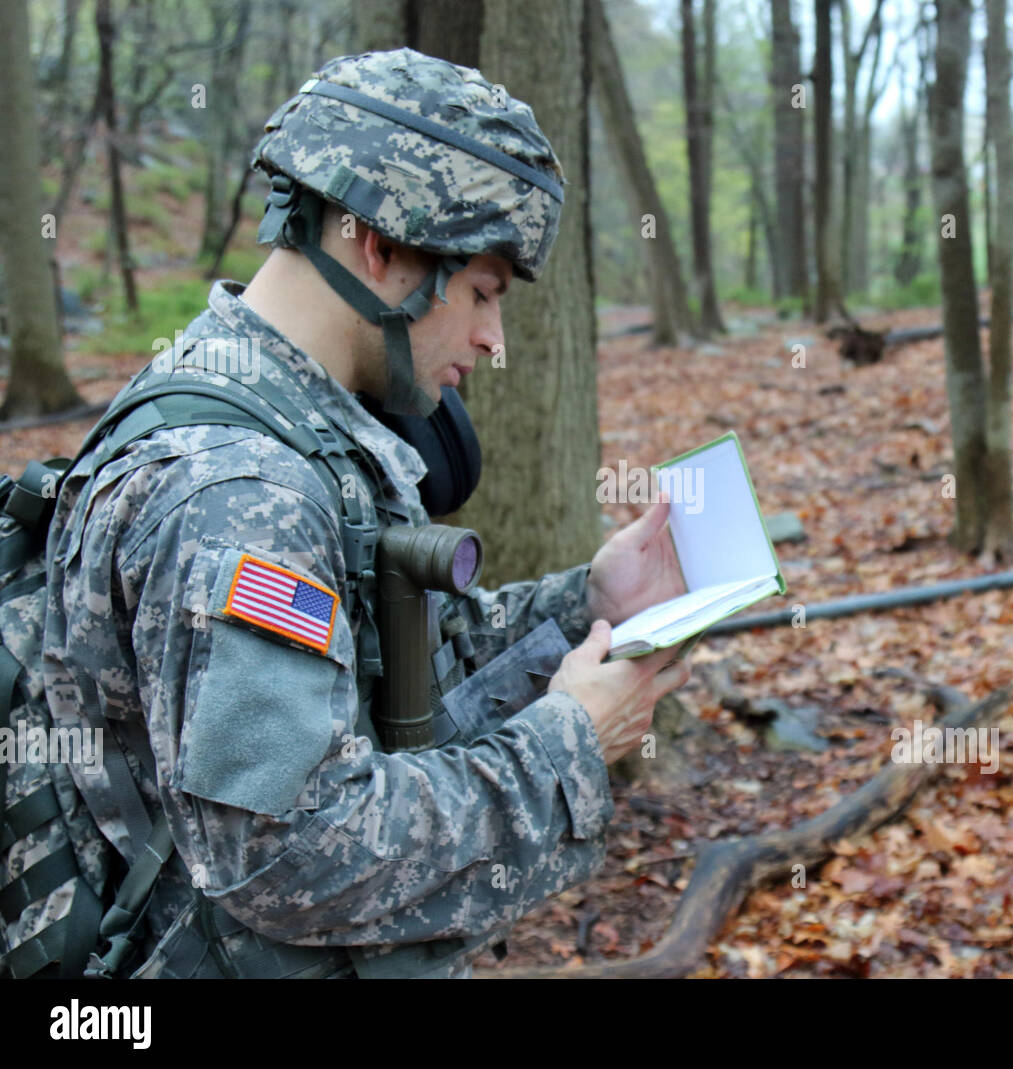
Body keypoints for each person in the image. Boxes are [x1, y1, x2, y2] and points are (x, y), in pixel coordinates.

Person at [41, 48, 690, 979]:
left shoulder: (280, 417)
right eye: (482, 292)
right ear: (378, 243)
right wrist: (567, 749)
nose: (492, 340)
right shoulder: (241, 493)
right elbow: (293, 854)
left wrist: (588, 601)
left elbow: (377, 677)